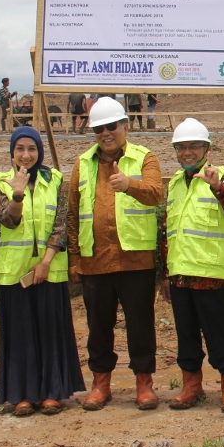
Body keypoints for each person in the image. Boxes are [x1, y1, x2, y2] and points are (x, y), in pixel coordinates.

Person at [67, 96, 163, 410]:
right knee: (98, 326)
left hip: (135, 260)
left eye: (112, 126)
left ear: (124, 126)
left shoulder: (144, 158)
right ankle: (100, 383)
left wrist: (129, 184)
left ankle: (144, 383)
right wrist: (74, 258)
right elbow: (72, 213)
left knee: (140, 325)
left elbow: (156, 195)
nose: (106, 133)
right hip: (95, 261)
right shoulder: (82, 164)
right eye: (99, 129)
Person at [0, 127, 85, 417]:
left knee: (50, 331)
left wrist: (45, 262)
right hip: (14, 272)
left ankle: (51, 393)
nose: (26, 155)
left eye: (31, 149)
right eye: (19, 149)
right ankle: (21, 394)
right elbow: (6, 221)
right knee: (19, 334)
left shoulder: (54, 179)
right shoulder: (0, 183)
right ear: (12, 152)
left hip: (49, 270)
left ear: (40, 151)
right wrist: (17, 194)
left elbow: (61, 223)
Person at [159, 119, 224, 412]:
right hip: (180, 273)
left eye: (194, 146)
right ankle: (191, 386)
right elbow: (168, 229)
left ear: (207, 149)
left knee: (218, 331)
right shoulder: (174, 182)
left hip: (211, 272)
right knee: (185, 333)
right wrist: (165, 273)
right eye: (181, 147)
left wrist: (218, 189)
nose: (187, 152)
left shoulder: (221, 177)